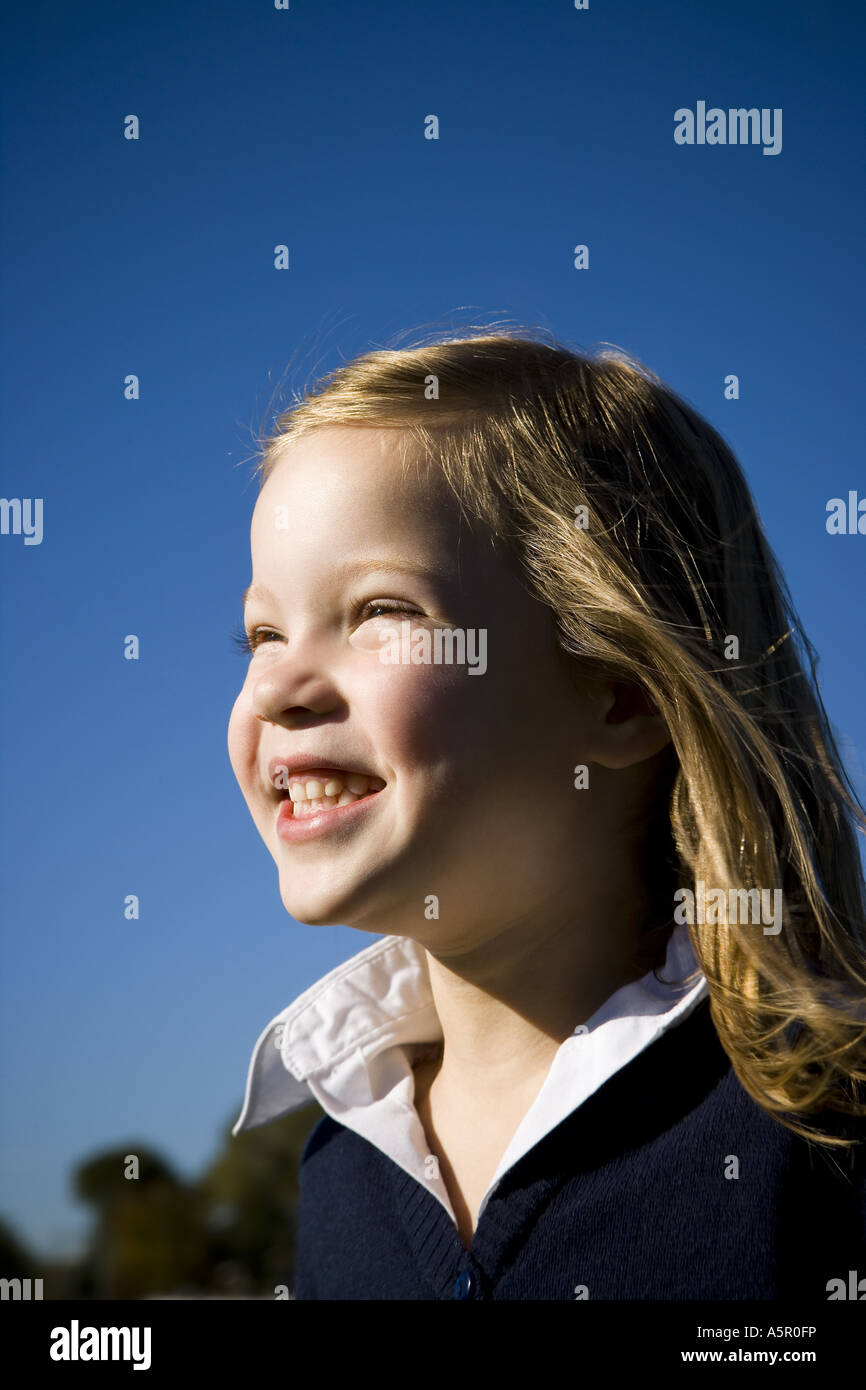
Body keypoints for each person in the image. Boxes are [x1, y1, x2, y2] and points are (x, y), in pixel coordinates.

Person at [227, 328, 866, 1300]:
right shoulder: (338, 1172)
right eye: (262, 631)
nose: (277, 684)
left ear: (619, 692)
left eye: (379, 611)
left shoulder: (822, 1124)